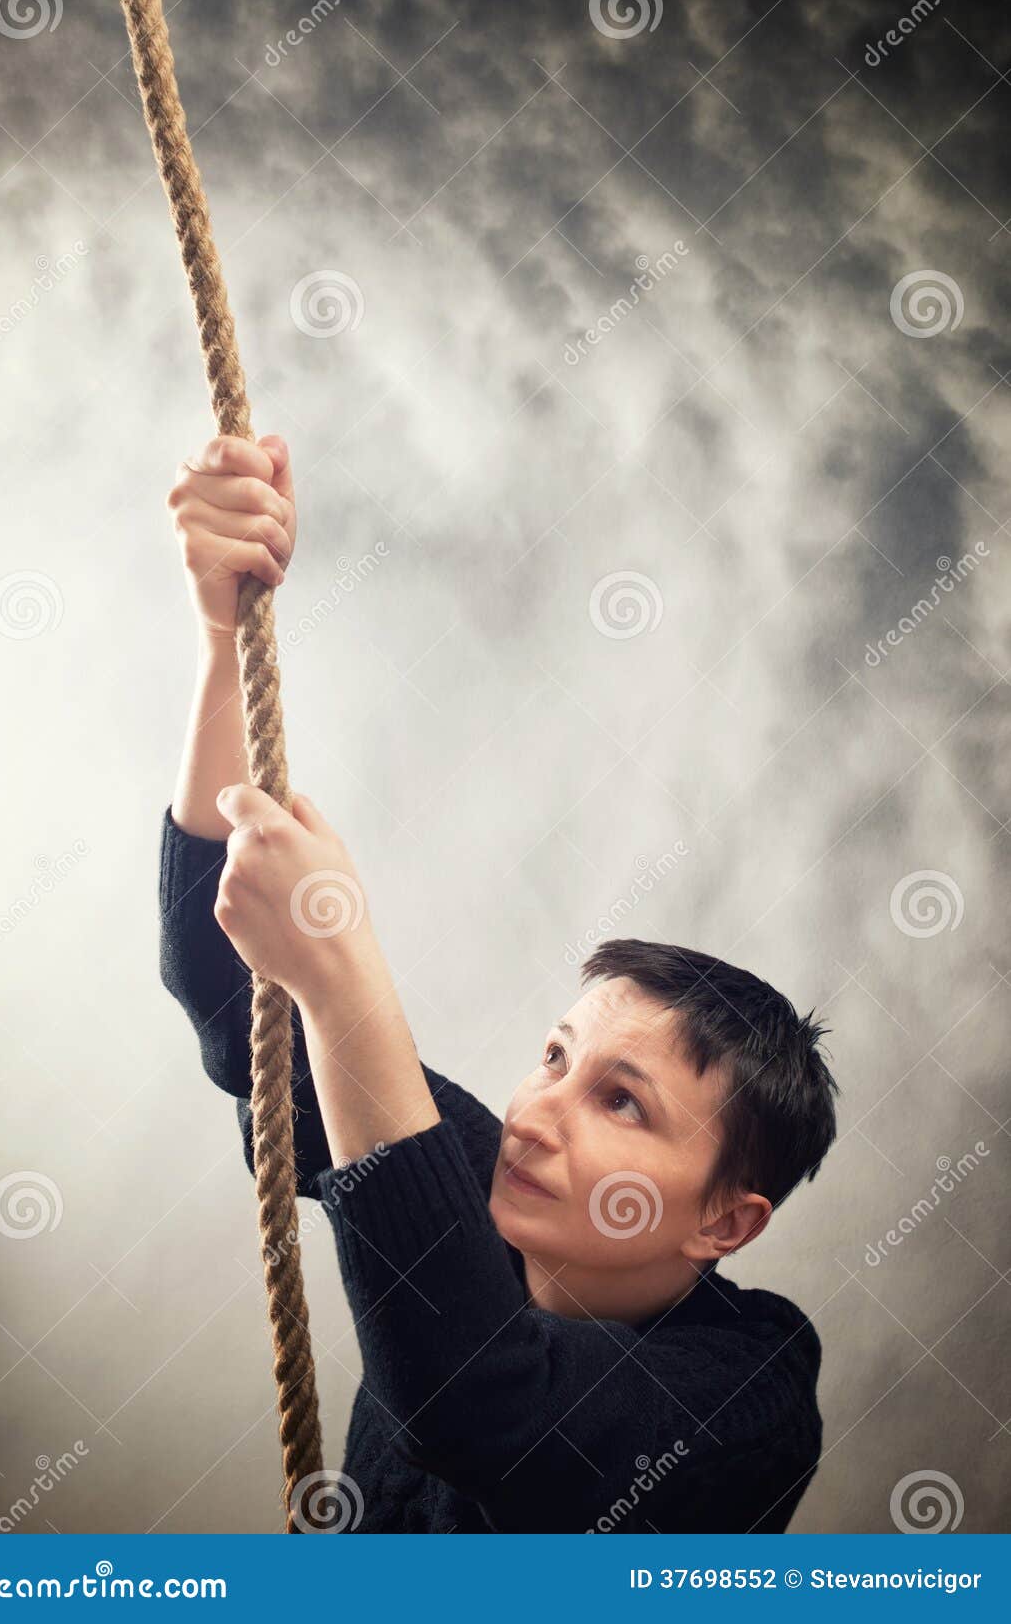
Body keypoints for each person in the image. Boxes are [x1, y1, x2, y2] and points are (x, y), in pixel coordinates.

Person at [157, 433, 840, 1534]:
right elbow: (239, 1009)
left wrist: (344, 978)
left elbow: (484, 1399)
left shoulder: (754, 1395)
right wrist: (219, 631)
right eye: (557, 1060)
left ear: (726, 1220)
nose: (533, 1116)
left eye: (622, 1101)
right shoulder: (472, 1169)